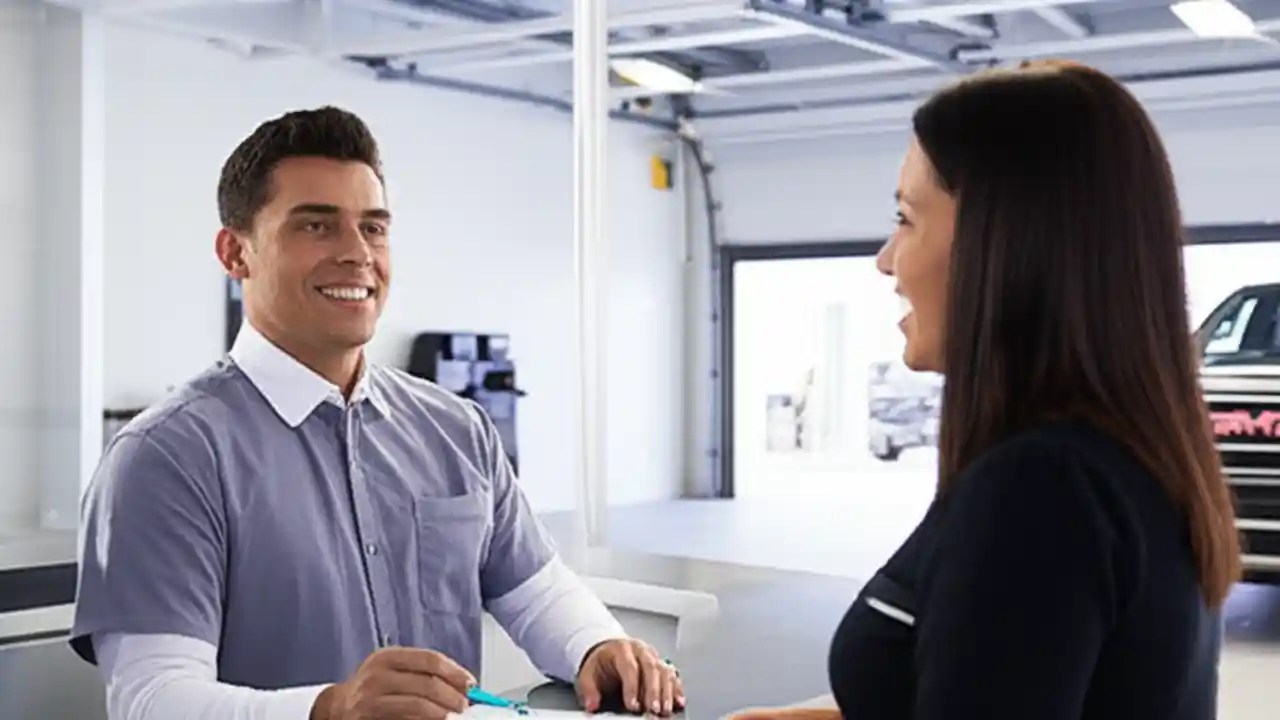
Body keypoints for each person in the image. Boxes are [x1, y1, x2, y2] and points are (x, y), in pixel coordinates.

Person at [72, 106, 683, 720]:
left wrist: (596, 645)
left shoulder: (456, 430)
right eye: (316, 226)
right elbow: (151, 700)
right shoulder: (166, 458)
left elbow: (535, 591)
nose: (356, 253)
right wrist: (330, 710)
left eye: (374, 227)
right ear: (236, 253)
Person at [733, 60, 1241, 719]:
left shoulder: (1039, 492)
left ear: (998, 245)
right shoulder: (1124, 462)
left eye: (906, 219)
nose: (886, 259)